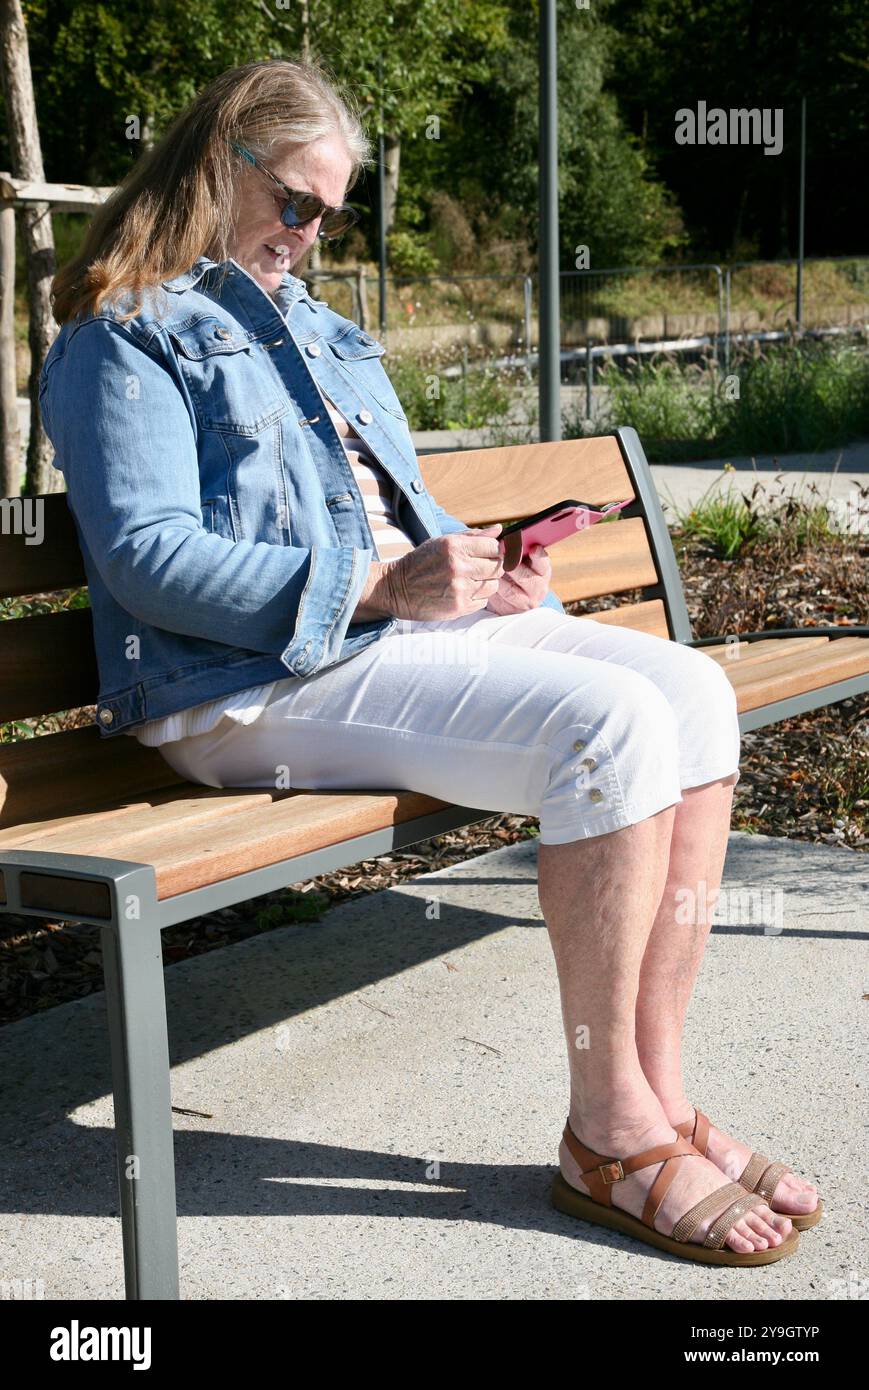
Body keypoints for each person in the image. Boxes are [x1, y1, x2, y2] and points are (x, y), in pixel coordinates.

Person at [39, 57, 819, 1266]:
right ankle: (605, 1131)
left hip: (380, 638)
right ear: (214, 163)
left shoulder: (318, 331)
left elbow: (385, 519)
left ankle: (656, 1099)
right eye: (293, 203)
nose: (307, 235)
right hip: (242, 685)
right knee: (604, 725)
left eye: (327, 216)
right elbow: (144, 557)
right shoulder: (124, 332)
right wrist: (375, 586)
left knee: (694, 694)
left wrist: (477, 567)